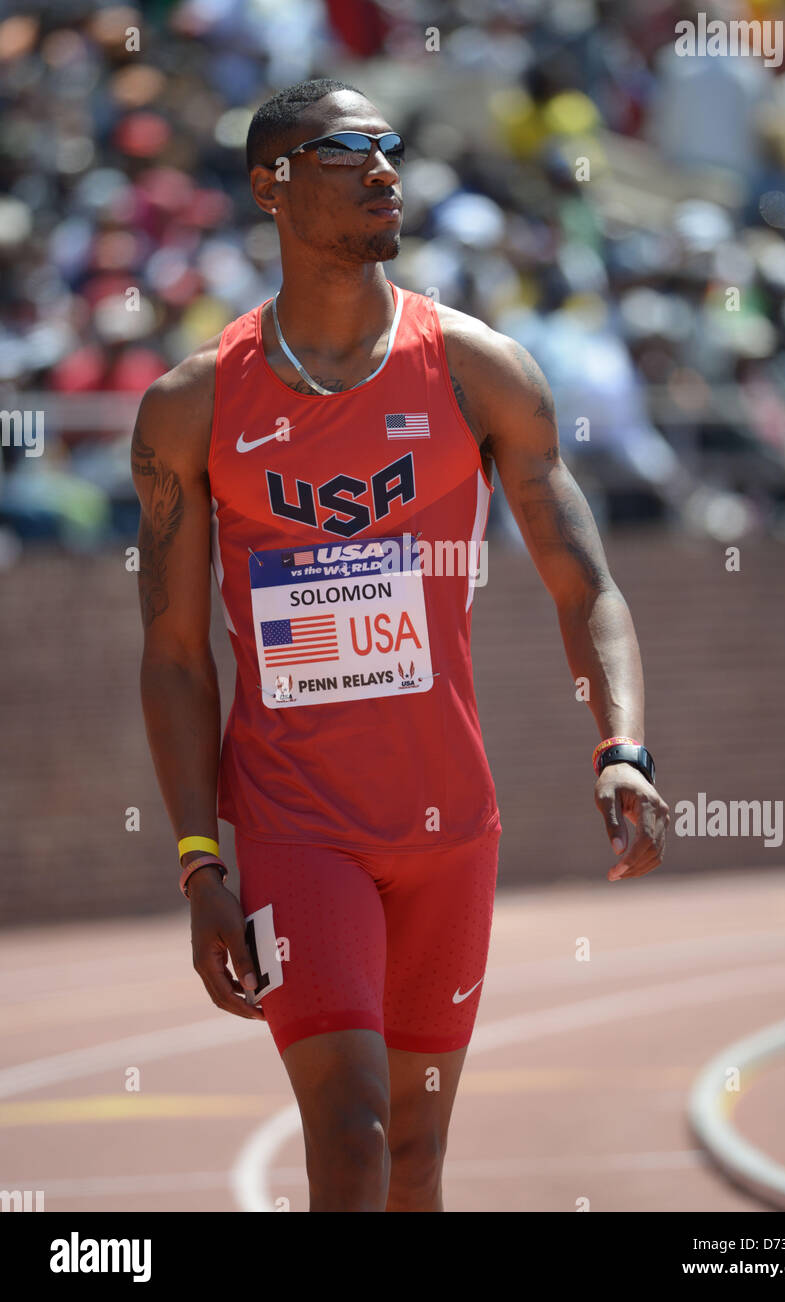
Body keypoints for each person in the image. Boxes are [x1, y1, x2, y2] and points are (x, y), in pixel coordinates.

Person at [131, 77, 670, 1213]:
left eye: (391, 147)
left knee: (419, 1156)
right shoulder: (193, 407)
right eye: (346, 150)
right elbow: (177, 652)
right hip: (293, 825)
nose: (385, 170)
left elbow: (588, 585)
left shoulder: (481, 371)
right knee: (352, 1127)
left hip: (449, 827)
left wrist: (622, 745)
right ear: (270, 184)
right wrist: (197, 859)